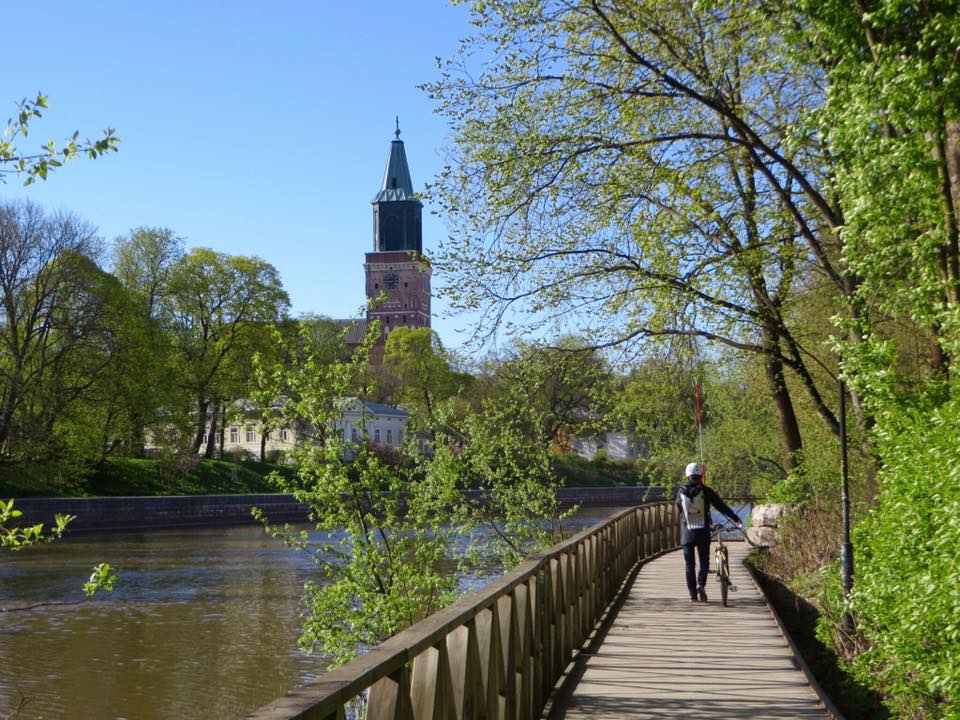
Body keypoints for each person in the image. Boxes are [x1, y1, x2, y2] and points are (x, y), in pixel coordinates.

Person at [676, 462, 742, 602]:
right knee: (704, 561)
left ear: (687, 475)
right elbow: (721, 506)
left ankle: (692, 595)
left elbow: (680, 509)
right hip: (703, 531)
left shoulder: (680, 491)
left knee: (689, 564)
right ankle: (701, 584)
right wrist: (735, 518)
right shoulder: (706, 491)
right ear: (701, 474)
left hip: (687, 533)